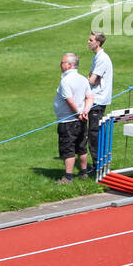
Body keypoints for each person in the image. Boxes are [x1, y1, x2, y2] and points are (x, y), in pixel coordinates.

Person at [53, 52, 92, 184]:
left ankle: (68, 177)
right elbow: (90, 98)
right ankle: (83, 172)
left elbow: (70, 101)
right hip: (80, 120)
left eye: (62, 62)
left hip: (68, 121)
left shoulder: (65, 81)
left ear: (69, 65)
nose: (60, 65)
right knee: (81, 147)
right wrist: (85, 112)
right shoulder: (82, 79)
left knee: (68, 148)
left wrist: (78, 113)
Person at [85, 31, 112, 175]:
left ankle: (98, 167)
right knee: (93, 134)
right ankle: (98, 165)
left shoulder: (101, 59)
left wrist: (89, 78)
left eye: (90, 40)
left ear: (98, 42)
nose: (88, 42)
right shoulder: (98, 57)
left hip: (98, 100)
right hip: (96, 99)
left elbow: (92, 80)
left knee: (94, 134)